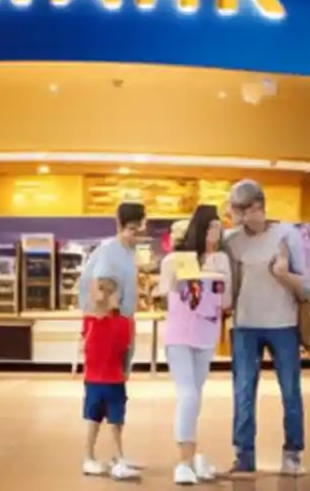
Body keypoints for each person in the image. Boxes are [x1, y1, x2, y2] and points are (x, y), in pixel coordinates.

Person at [223, 179, 310, 478]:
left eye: (240, 210)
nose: (236, 217)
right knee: (243, 391)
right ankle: (244, 455)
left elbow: (307, 286)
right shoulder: (232, 240)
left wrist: (281, 273)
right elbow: (232, 283)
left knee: (290, 390)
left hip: (283, 324)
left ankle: (293, 453)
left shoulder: (286, 235)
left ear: (256, 208)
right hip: (245, 326)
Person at [157, 204, 233, 485]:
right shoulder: (175, 259)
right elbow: (165, 291)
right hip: (179, 335)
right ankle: (184, 461)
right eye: (212, 227)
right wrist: (182, 280)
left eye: (219, 229)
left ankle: (193, 455)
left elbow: (226, 301)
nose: (216, 233)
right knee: (187, 394)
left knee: (196, 395)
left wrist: (215, 284)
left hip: (206, 334)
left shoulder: (221, 261)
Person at [80, 277, 140, 481]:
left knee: (95, 419)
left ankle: (96, 456)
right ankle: (117, 458)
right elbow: (126, 348)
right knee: (113, 420)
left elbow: (87, 347)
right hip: (112, 379)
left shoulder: (90, 323)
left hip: (96, 380)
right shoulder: (122, 324)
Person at [78, 201, 146, 374]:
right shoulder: (110, 251)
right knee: (107, 380)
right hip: (108, 323)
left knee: (118, 378)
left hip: (122, 321)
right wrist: (113, 326)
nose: (137, 234)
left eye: (140, 229)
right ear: (120, 226)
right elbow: (102, 288)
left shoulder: (128, 252)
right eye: (132, 229)